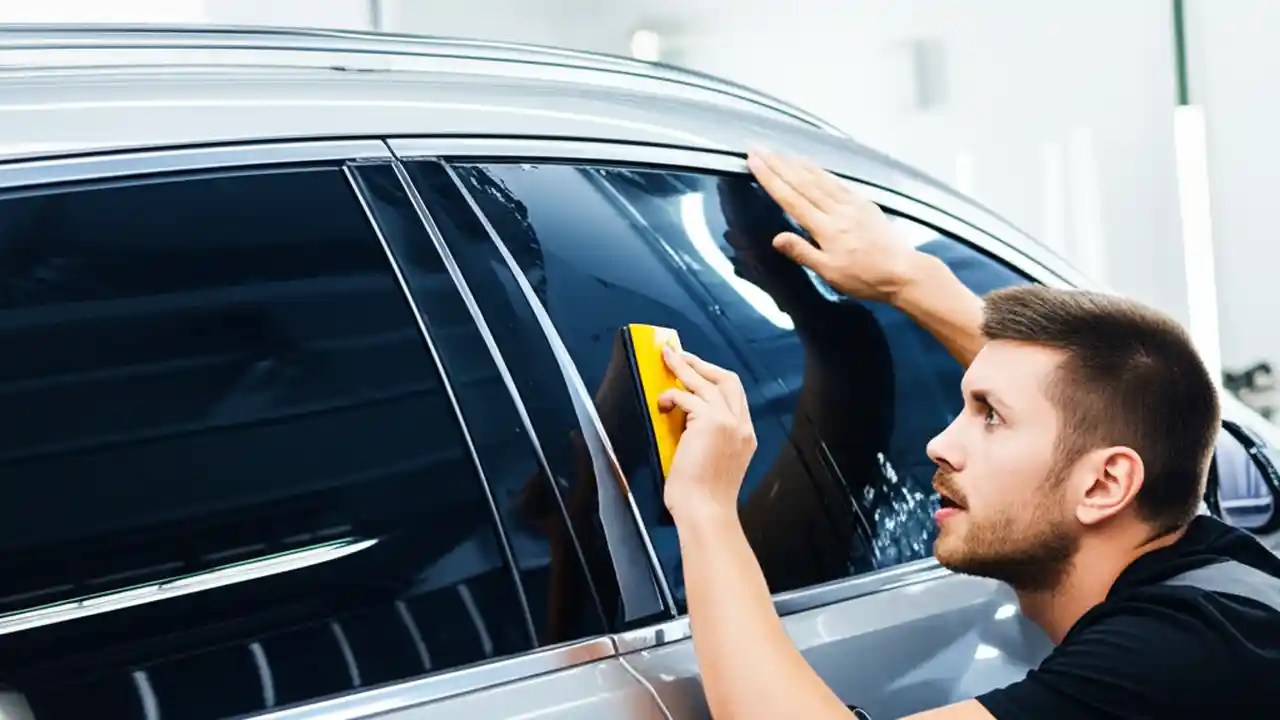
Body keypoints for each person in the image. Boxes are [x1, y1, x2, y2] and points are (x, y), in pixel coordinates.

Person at [654, 147, 1280, 719]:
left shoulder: (1180, 660)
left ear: (1105, 484)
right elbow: (1099, 404)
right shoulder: (1219, 583)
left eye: (989, 417)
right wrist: (905, 278)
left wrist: (707, 508)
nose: (938, 445)